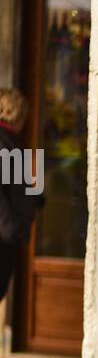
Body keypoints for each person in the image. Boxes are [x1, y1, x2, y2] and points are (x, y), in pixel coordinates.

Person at [0, 89, 38, 306]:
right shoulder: (5, 143)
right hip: (6, 236)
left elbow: (30, 189)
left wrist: (37, 196)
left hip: (12, 237)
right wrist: (10, 229)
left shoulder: (17, 144)